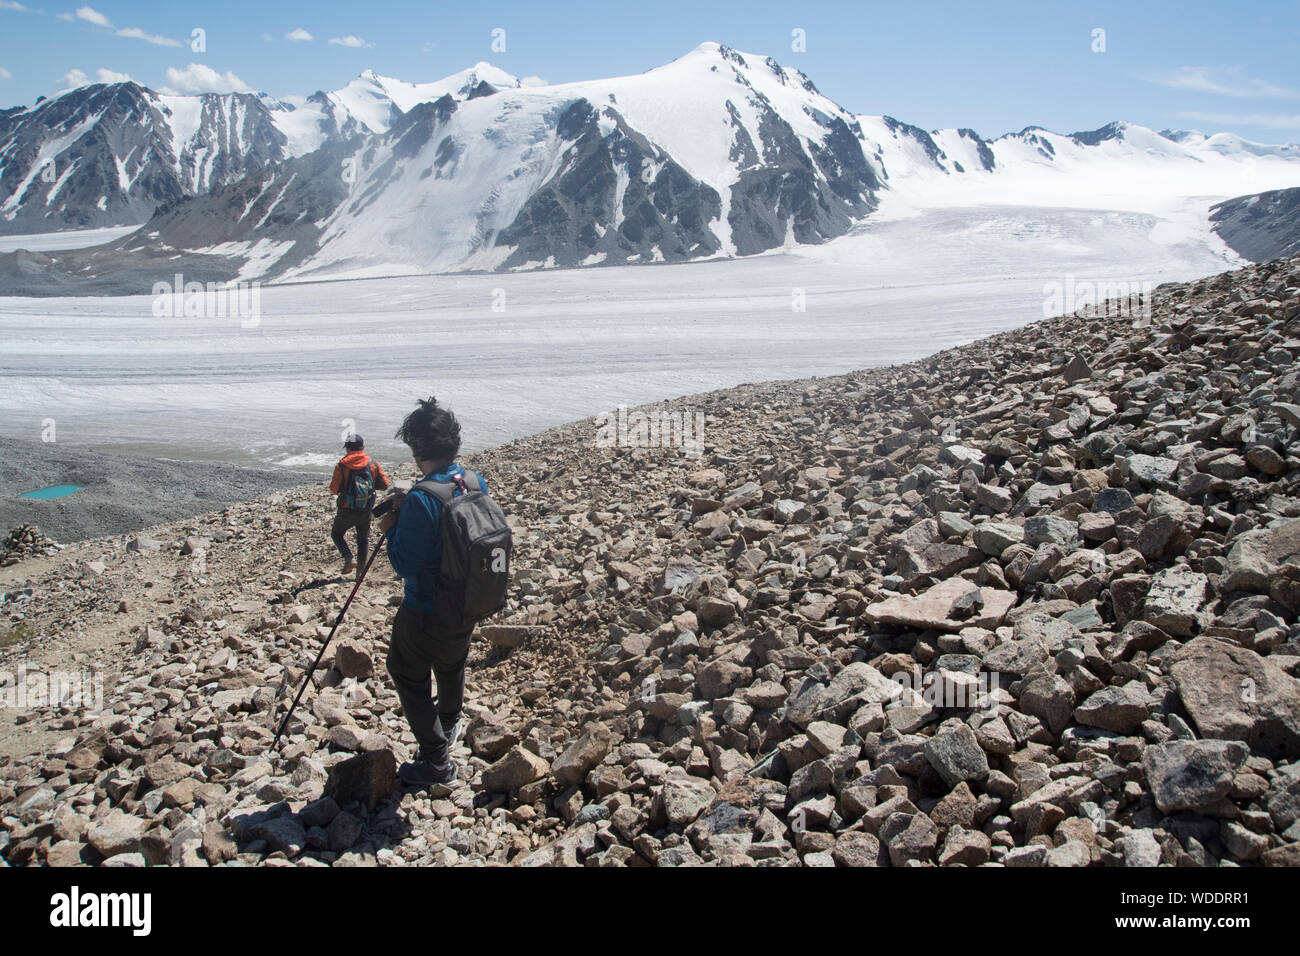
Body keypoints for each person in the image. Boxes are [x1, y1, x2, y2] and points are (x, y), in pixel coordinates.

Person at [379, 397, 488, 787]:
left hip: (424, 608)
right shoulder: (474, 482)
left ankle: (436, 760)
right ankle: (449, 721)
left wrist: (391, 527)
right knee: (451, 661)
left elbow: (405, 564)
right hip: (469, 600)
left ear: (417, 448)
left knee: (406, 672)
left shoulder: (423, 499)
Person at [328, 434, 390, 578]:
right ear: (362, 447)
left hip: (346, 510)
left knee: (336, 534)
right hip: (366, 510)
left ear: (348, 448)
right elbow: (385, 485)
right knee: (363, 541)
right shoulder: (373, 463)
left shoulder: (342, 465)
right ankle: (360, 575)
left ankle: (349, 558)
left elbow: (333, 489)